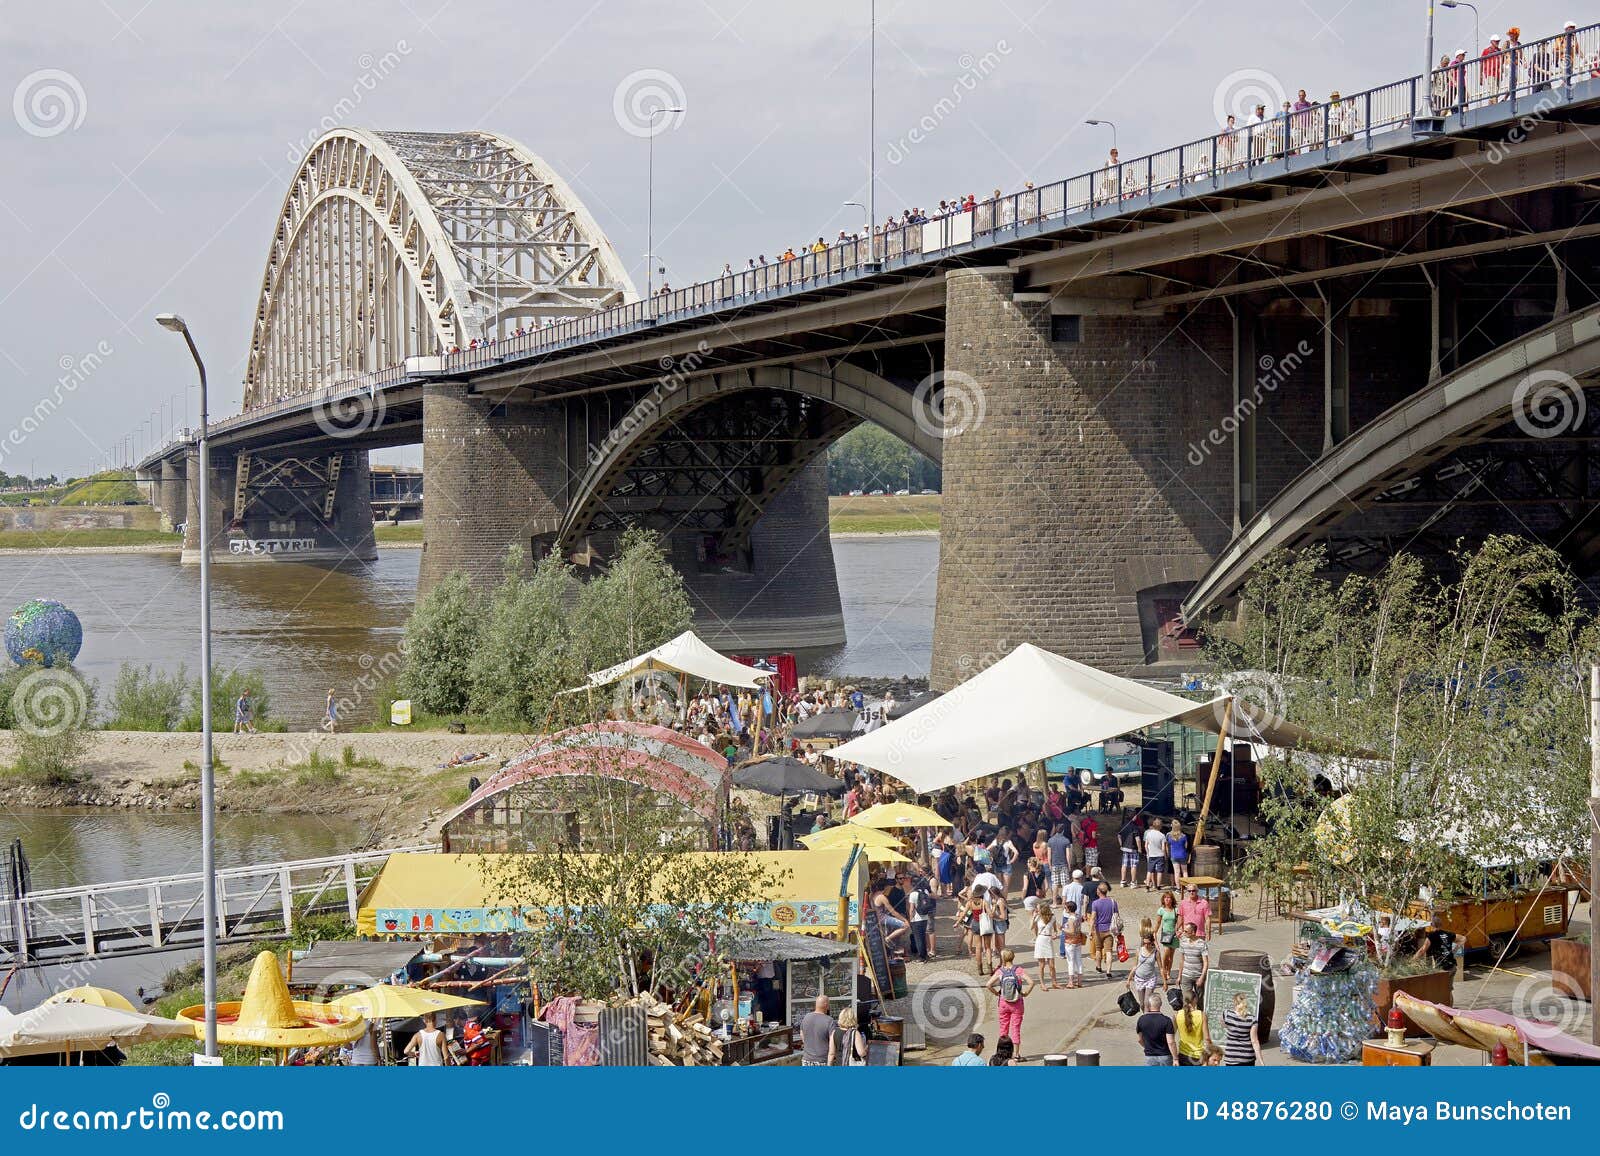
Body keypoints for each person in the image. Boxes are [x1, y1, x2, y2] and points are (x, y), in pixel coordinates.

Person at [987, 947, 1034, 1053]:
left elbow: (988, 984)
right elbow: (1031, 982)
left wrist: (996, 993)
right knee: (1015, 1028)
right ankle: (1016, 1054)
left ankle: (1002, 1052)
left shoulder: (1000, 971)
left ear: (1003, 959)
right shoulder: (1018, 970)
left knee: (1004, 1028)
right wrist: (1025, 993)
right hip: (1017, 1003)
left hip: (1003, 1002)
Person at [1135, 991, 1179, 1066]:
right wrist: (1175, 1058)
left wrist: (1148, 1047)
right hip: (1165, 1056)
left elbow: (1139, 1039)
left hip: (1149, 1056)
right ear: (1160, 1005)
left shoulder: (1141, 1019)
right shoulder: (1167, 1020)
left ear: (1148, 1005)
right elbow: (1171, 1042)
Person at [1089, 882, 1121, 978]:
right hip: (1110, 930)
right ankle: (1108, 971)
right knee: (1109, 951)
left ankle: (1098, 967)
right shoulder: (1112, 902)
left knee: (1098, 949)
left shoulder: (1095, 903)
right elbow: (1117, 916)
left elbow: (1093, 918)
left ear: (1099, 891)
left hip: (1098, 930)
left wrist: (1090, 931)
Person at [1223, 990, 1263, 1066]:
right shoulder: (1252, 1019)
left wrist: (1230, 1027)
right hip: (1247, 1057)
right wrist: (1261, 1062)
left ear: (1234, 1003)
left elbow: (1222, 1024)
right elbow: (1254, 1041)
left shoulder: (1227, 1014)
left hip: (1231, 1057)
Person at [1176, 921, 1210, 1007]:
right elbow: (1182, 960)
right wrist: (1179, 976)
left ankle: (1199, 1018)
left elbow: (1205, 962)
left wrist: (1202, 977)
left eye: (1186, 931)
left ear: (1193, 932)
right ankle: (1187, 1019)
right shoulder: (1183, 942)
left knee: (1199, 1001)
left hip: (1198, 976)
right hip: (1186, 975)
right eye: (1184, 930)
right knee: (1186, 1001)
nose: (1184, 933)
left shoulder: (1202, 944)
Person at [799, 994, 837, 1066]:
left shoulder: (806, 1017)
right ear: (826, 1005)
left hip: (806, 1059)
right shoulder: (829, 1020)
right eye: (828, 1004)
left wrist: (809, 1045)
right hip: (822, 1060)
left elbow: (801, 1033)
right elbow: (832, 1044)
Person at [1174, 993, 1210, 1066]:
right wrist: (1207, 1057)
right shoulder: (1202, 1015)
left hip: (1183, 1054)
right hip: (1198, 1056)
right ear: (1195, 999)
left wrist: (1174, 1057)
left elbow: (1172, 1036)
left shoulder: (1177, 1014)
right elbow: (1207, 1038)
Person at [1032, 900, 1060, 990]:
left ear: (1043, 909)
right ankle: (1042, 984)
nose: (1037, 910)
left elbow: (1055, 930)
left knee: (1052, 965)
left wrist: (1055, 934)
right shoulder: (1038, 917)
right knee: (1042, 965)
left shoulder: (1053, 917)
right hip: (1040, 940)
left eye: (1038, 908)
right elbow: (1031, 927)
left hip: (1048, 940)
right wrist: (1033, 918)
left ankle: (1054, 982)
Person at [1127, 930, 1162, 1002]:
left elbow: (1161, 968)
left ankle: (1148, 1012)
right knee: (1142, 1003)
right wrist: (1129, 980)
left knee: (1147, 1002)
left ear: (1152, 942)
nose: (1146, 945)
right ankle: (1145, 1013)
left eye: (1148, 943)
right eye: (1144, 943)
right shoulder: (1139, 950)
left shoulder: (1156, 952)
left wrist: (1164, 982)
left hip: (1150, 979)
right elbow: (1135, 966)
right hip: (1139, 979)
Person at [1155, 889, 1181, 982]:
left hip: (1174, 934)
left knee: (1171, 956)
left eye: (1169, 898)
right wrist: (1154, 932)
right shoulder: (1161, 910)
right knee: (1166, 952)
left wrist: (1178, 929)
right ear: (1163, 899)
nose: (1167, 899)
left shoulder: (1176, 910)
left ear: (1172, 899)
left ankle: (1169, 972)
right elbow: (1158, 922)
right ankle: (1164, 970)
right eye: (1165, 898)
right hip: (1166, 933)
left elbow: (1179, 921)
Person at [907, 871, 934, 961]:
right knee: (923, 937)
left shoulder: (913, 894)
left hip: (916, 919)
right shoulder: (925, 891)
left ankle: (922, 957)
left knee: (918, 939)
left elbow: (911, 909)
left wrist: (910, 919)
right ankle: (925, 954)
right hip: (925, 917)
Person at [1059, 899, 1086, 988]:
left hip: (1070, 942)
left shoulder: (1071, 919)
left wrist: (1062, 928)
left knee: (1070, 961)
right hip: (1078, 941)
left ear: (1069, 909)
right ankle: (1080, 981)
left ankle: (1071, 982)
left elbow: (1071, 931)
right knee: (1079, 961)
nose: (1065, 909)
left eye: (1066, 908)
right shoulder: (1078, 916)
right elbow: (1081, 921)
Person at [1143, 818, 1170, 891]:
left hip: (1151, 855)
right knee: (1159, 871)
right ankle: (1158, 886)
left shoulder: (1148, 834)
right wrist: (1165, 855)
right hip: (1160, 855)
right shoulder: (1162, 835)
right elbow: (1163, 848)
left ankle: (1147, 886)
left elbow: (1146, 845)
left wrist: (1148, 853)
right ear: (1160, 826)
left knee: (1149, 871)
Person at [1118, 811, 1141, 888]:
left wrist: (1121, 844)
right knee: (1133, 866)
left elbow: (1119, 835)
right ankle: (1133, 882)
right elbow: (1137, 839)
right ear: (1133, 817)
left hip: (1124, 848)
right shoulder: (1135, 827)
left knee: (1124, 865)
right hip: (1133, 849)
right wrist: (1140, 848)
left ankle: (1123, 881)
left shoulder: (1123, 825)